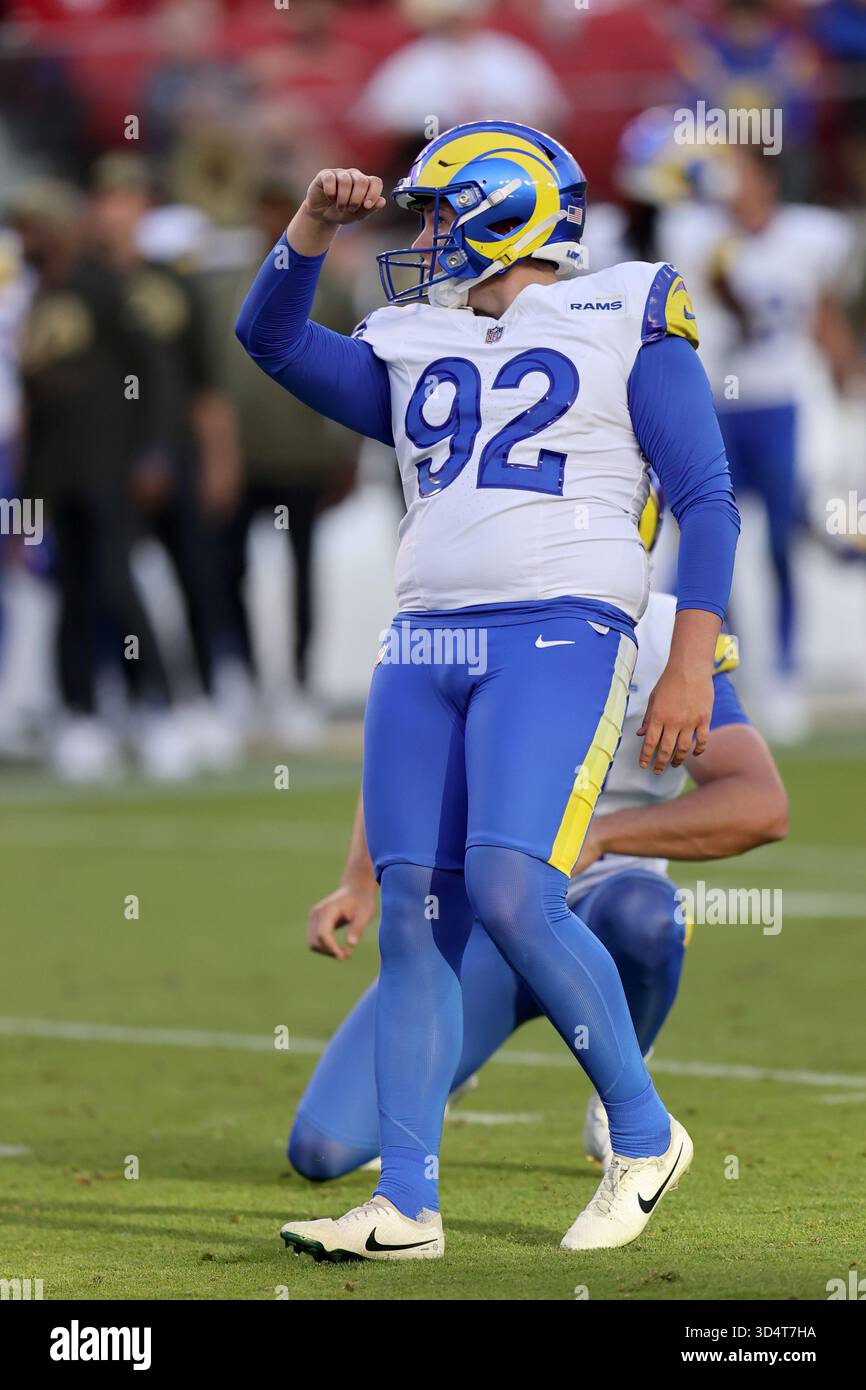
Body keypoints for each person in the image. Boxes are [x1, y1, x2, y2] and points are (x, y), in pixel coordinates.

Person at [236, 120, 740, 1259]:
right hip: (421, 642)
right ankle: (406, 1204)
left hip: (557, 630)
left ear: (502, 210)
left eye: (437, 212)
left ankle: (645, 1132)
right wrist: (310, 225)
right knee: (416, 920)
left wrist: (683, 657)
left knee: (515, 890)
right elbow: (268, 338)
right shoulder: (417, 336)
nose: (421, 236)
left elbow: (705, 497)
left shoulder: (625, 309)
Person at [291, 564, 788, 1182]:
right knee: (321, 1147)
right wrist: (360, 877)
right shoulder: (475, 604)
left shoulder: (662, 632)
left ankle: (624, 1090)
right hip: (483, 922)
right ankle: (446, 1049)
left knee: (646, 917)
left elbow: (762, 805)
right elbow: (414, 754)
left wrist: (604, 835)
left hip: (597, 912)